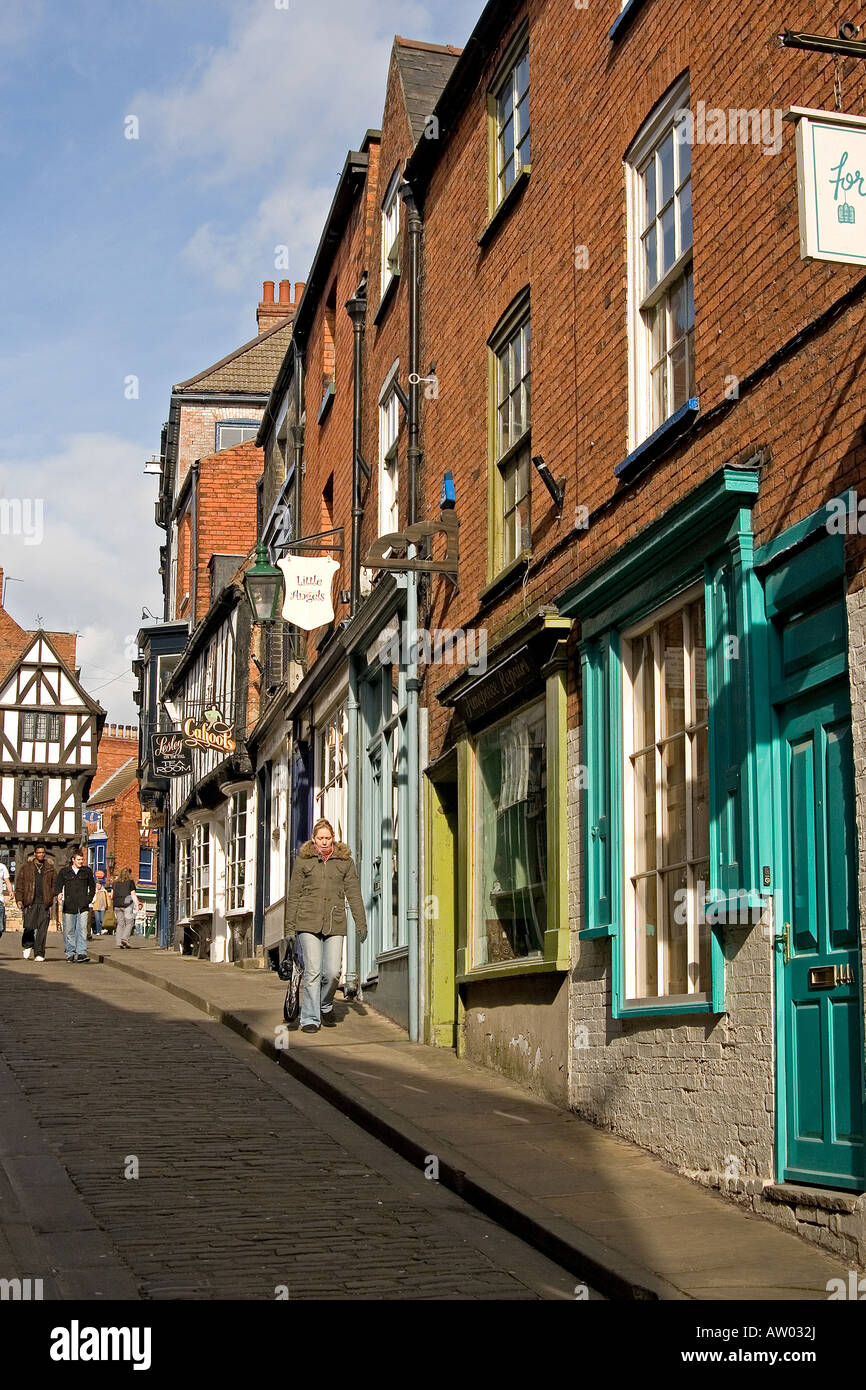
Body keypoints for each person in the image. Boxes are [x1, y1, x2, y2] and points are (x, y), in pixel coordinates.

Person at [284, 819, 367, 1033]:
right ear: (314, 839)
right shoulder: (304, 861)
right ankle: (310, 1018)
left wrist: (361, 923)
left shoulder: (345, 861)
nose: (323, 842)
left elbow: (354, 894)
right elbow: (293, 895)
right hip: (307, 921)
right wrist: (289, 928)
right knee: (313, 971)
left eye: (327, 838)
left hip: (335, 921)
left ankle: (325, 1004)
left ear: (333, 838)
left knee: (332, 972)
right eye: (320, 838)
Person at [15, 844, 57, 961]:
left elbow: (55, 884)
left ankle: (39, 953)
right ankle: (28, 944)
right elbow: (19, 884)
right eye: (38, 852)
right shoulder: (26, 868)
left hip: (44, 902)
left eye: (43, 852)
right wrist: (19, 899)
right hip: (30, 901)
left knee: (42, 929)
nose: (41, 854)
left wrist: (51, 893)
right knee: (28, 926)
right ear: (35, 854)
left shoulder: (50, 868)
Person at [55, 847, 96, 963]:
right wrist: (59, 894)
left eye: (82, 859)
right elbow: (58, 885)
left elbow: (92, 887)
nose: (81, 862)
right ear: (73, 859)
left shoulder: (86, 871)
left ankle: (82, 952)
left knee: (82, 929)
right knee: (69, 930)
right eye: (78, 860)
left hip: (83, 905)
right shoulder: (65, 872)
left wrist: (89, 898)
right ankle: (70, 953)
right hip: (69, 905)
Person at [112, 868, 140, 950]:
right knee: (129, 922)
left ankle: (118, 942)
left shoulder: (115, 883)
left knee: (120, 924)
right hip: (127, 904)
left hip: (117, 904)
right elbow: (133, 894)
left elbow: (112, 895)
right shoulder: (130, 882)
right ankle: (124, 939)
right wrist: (137, 903)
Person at [91, 871, 110, 935]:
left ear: (101, 885)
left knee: (102, 919)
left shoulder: (104, 891)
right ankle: (98, 931)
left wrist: (109, 906)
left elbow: (108, 899)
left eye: (98, 885)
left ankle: (102, 930)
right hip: (96, 907)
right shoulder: (94, 891)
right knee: (97, 920)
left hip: (103, 907)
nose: (97, 886)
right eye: (96, 885)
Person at [0, 859, 11, 938]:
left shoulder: (2, 867)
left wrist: (10, 891)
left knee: (0, 927)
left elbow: (7, 881)